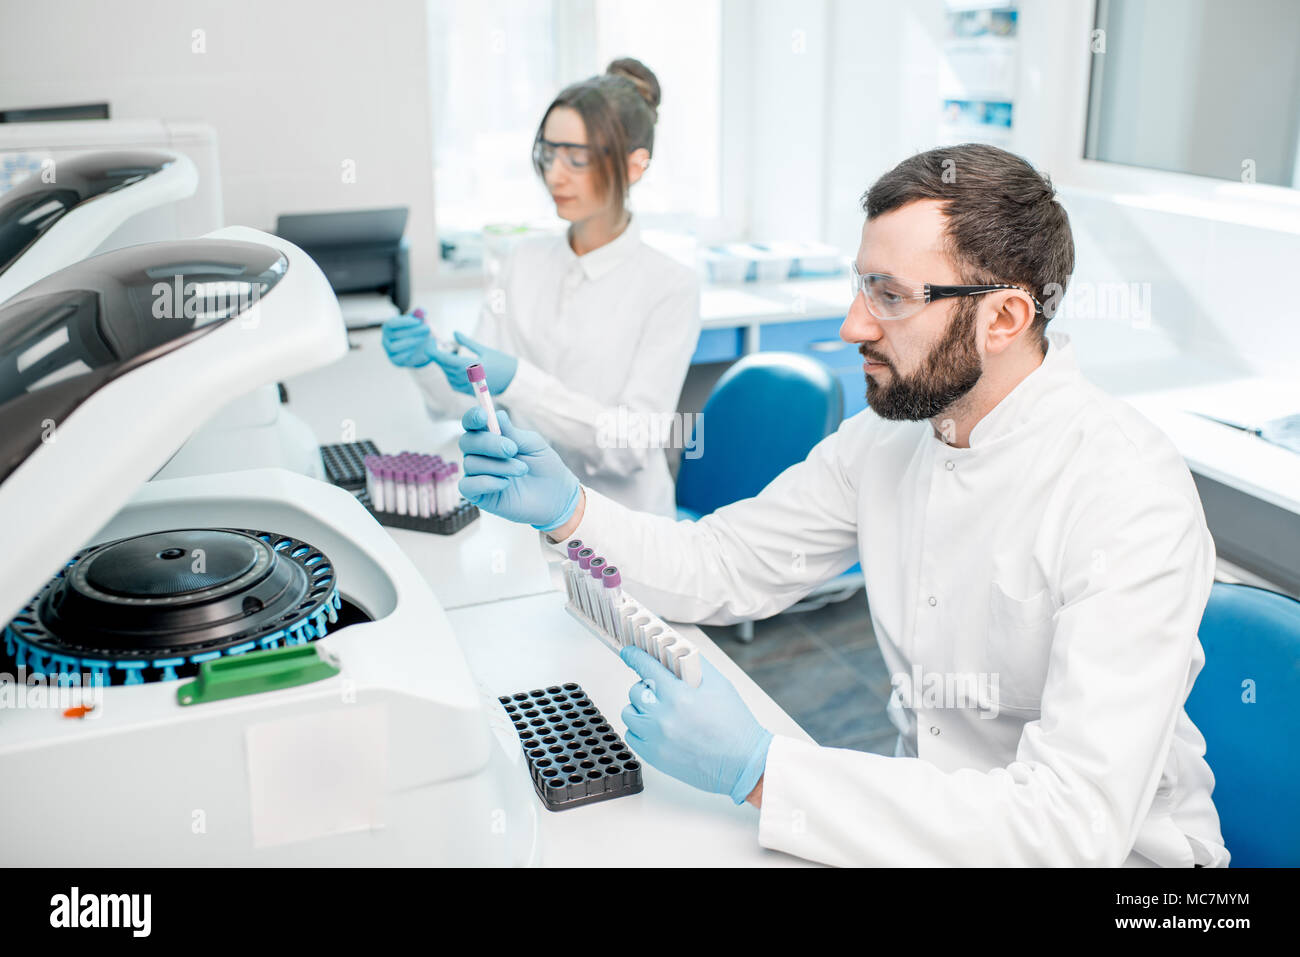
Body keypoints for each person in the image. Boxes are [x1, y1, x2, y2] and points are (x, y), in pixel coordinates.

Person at [453, 143, 1230, 868]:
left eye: (889, 296)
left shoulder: (1126, 495)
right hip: (918, 830)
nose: (853, 324)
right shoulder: (892, 439)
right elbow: (725, 562)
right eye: (862, 285)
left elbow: (1067, 825)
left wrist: (766, 771)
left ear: (1003, 318)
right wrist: (569, 510)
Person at [381, 58, 699, 517]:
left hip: (616, 530)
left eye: (579, 158)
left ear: (634, 167)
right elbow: (467, 401)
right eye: (550, 153)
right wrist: (427, 361)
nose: (555, 175)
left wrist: (521, 383)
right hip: (519, 516)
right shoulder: (522, 262)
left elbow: (630, 444)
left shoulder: (671, 286)